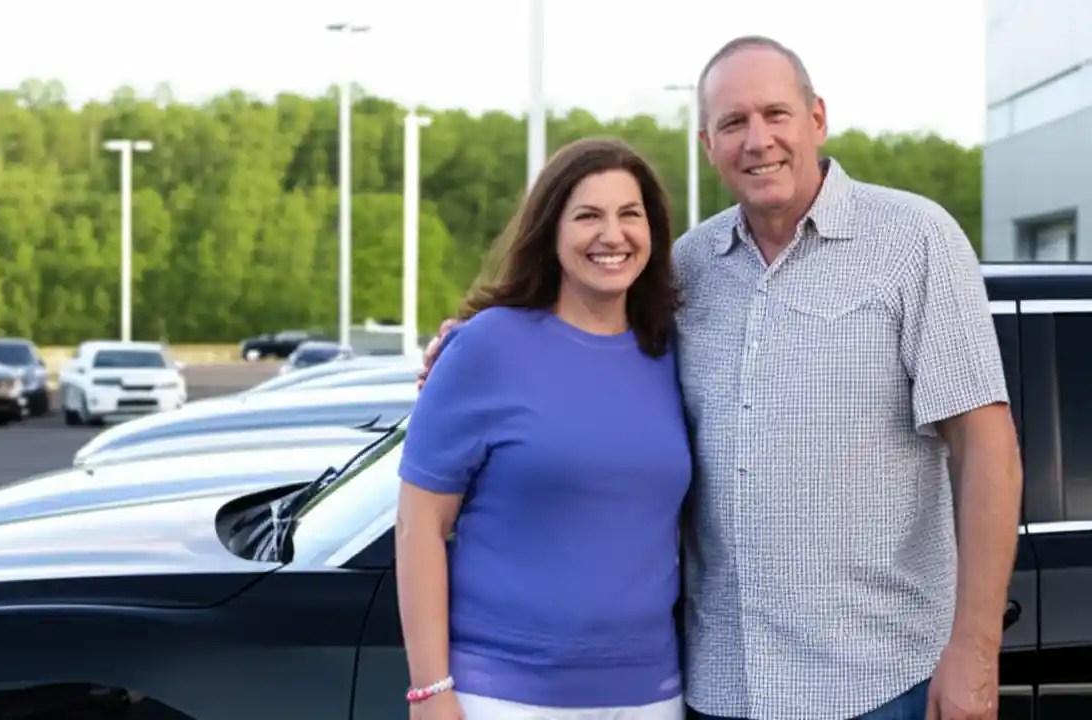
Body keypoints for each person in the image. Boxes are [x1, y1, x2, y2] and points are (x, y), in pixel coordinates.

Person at [417, 35, 1023, 720]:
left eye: (775, 114)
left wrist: (975, 653)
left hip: (880, 685)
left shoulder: (915, 240)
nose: (758, 140)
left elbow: (986, 447)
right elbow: (587, 354)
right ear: (709, 145)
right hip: (719, 689)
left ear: (817, 118)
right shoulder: (685, 270)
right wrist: (467, 348)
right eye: (734, 123)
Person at [395, 137, 693, 720]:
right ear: (550, 231)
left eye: (629, 215)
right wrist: (429, 692)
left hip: (651, 696)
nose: (613, 235)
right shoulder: (487, 346)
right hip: (503, 697)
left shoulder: (673, 353)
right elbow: (419, 526)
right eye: (588, 216)